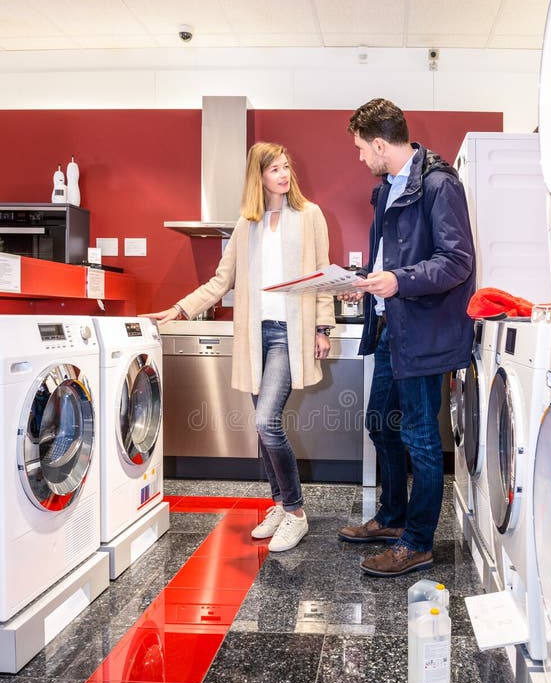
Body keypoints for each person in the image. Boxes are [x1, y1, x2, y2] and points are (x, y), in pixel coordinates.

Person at [144, 142, 335, 552]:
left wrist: (323, 327)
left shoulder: (310, 216)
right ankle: (279, 504)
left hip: (289, 334)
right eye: (275, 170)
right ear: (259, 177)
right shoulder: (246, 225)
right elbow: (220, 281)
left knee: (267, 422)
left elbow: (321, 275)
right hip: (254, 337)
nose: (284, 175)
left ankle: (296, 512)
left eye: (286, 167)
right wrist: (180, 309)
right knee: (261, 428)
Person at [337, 98, 475, 577]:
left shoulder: (438, 184)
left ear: (379, 143)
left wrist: (399, 280)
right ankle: (393, 519)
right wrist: (363, 277)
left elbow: (457, 261)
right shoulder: (389, 189)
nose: (360, 158)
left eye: (361, 149)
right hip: (392, 329)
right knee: (380, 424)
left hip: (424, 333)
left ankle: (417, 542)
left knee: (419, 438)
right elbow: (388, 256)